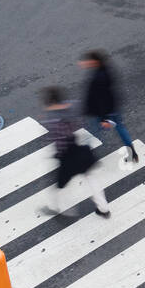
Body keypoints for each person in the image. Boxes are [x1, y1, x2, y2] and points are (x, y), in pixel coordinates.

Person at [41, 87, 111, 218]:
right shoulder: (71, 106)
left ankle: (57, 208)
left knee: (59, 184)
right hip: (80, 151)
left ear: (50, 102)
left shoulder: (52, 120)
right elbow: (81, 109)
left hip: (68, 156)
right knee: (91, 178)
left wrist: (57, 153)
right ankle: (104, 209)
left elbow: (58, 140)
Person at [80, 51, 138, 164]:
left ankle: (87, 159)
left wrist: (104, 118)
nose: (85, 63)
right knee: (120, 128)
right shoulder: (105, 70)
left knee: (94, 132)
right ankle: (132, 154)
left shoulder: (98, 78)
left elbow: (101, 99)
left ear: (95, 62)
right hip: (113, 107)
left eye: (88, 61)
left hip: (102, 112)